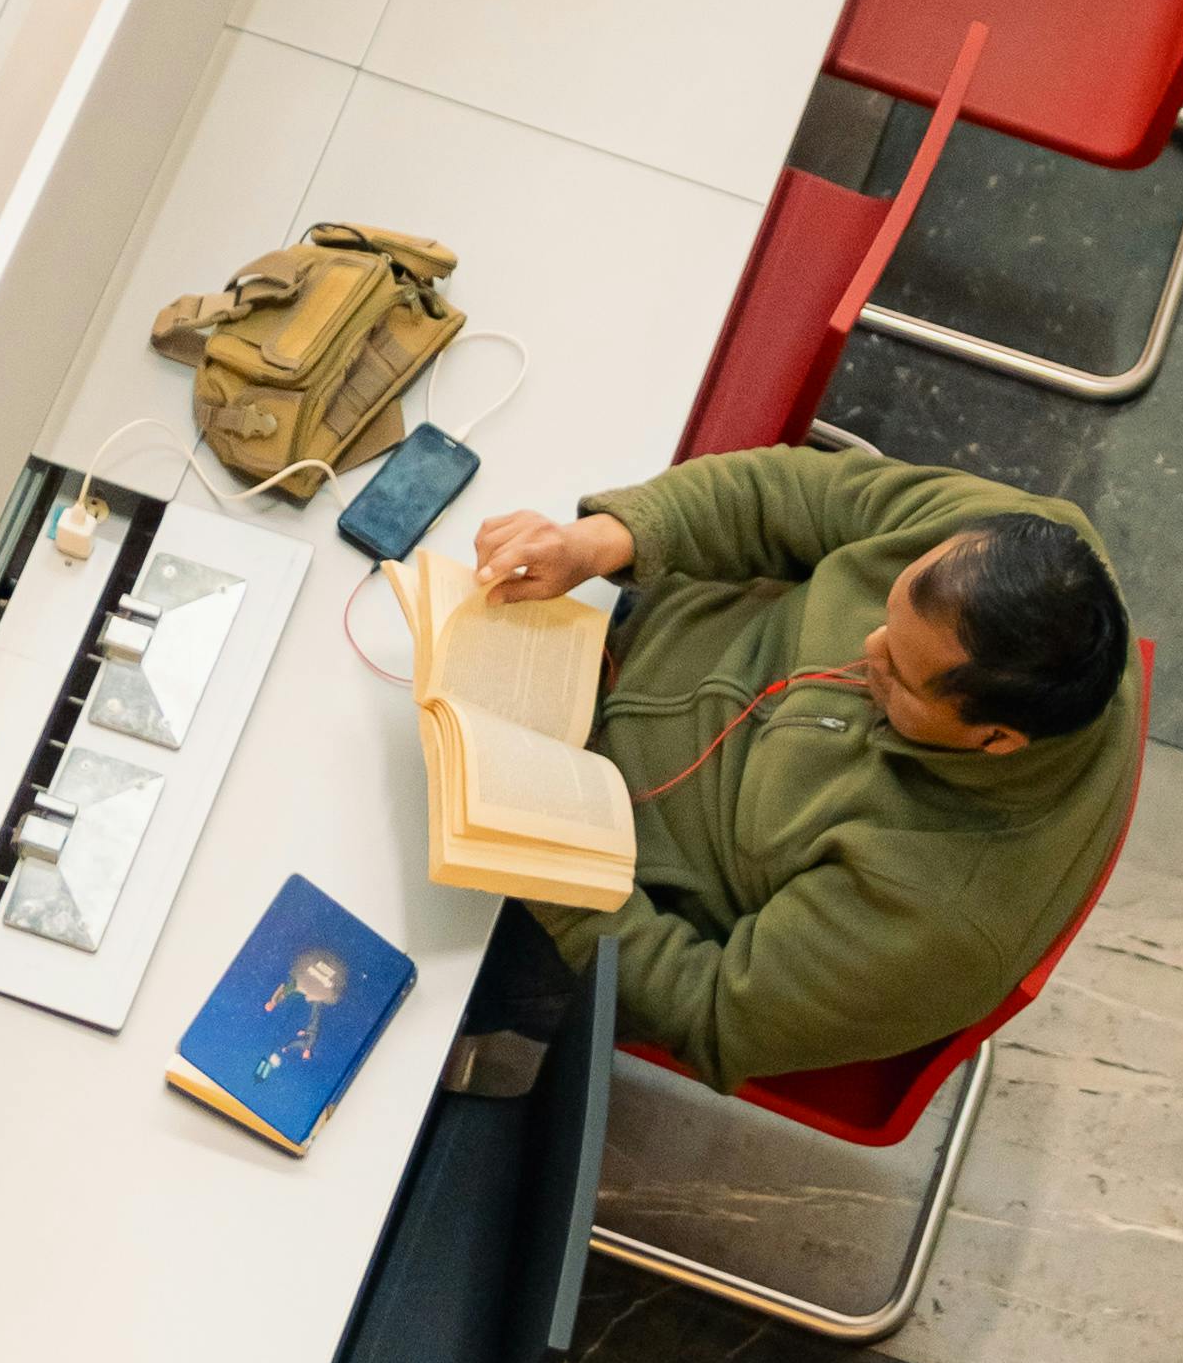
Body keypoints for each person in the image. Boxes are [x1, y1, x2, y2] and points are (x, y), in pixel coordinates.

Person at [466, 449, 1136, 1094]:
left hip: (588, 893)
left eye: (897, 673)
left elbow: (707, 1013)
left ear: (993, 739)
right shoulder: (1023, 553)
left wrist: (549, 856)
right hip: (610, 628)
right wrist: (597, 544)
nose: (865, 648)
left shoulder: (941, 919)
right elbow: (794, 493)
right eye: (885, 612)